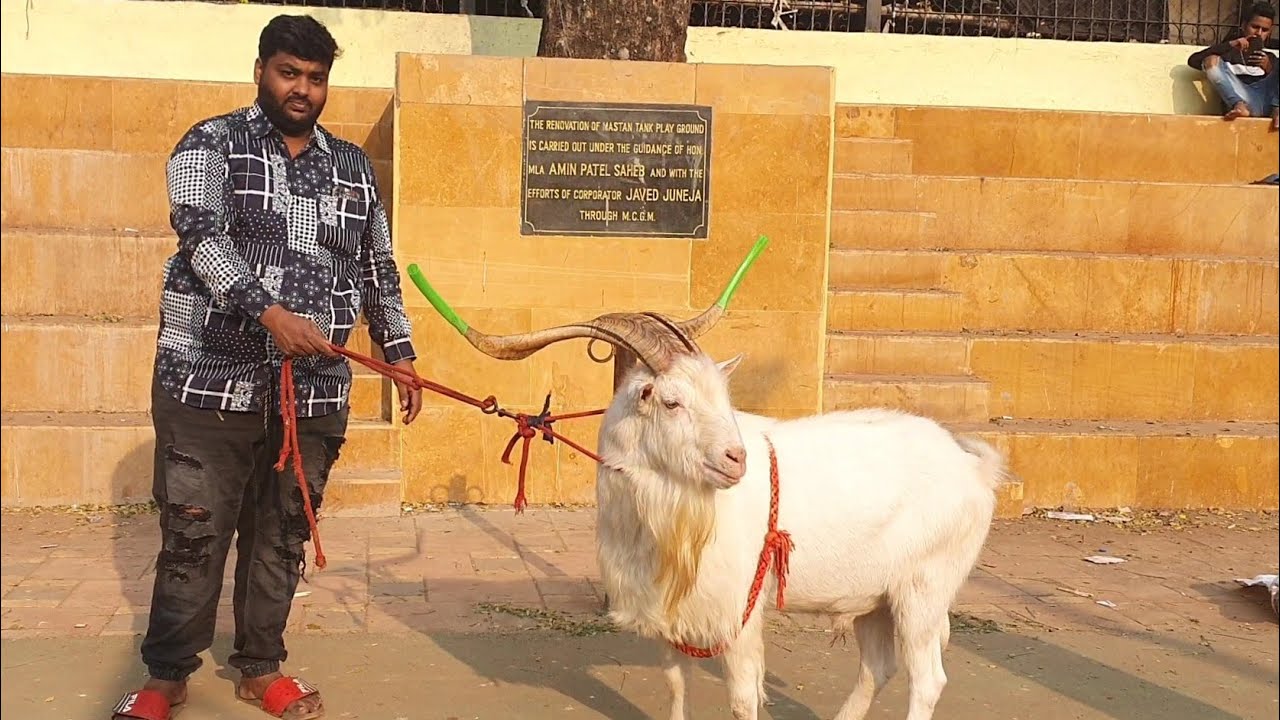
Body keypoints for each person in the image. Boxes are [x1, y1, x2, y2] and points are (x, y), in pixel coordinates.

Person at [111, 14, 423, 720]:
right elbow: (200, 239)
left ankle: (260, 666)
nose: (303, 90)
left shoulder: (352, 168)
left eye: (316, 78)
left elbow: (378, 267)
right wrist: (269, 313)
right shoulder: (208, 145)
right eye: (290, 73)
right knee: (193, 533)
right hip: (206, 383)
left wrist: (398, 351)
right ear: (260, 71)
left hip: (311, 396)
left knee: (281, 538)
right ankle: (166, 676)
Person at [1187, 1, 1279, 127]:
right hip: (1243, 102)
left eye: (1264, 30)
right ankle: (1238, 105)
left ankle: (1277, 111)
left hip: (1268, 104)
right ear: (1244, 26)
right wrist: (1231, 44)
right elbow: (1194, 61)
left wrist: (1270, 69)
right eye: (1255, 27)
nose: (1258, 33)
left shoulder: (1270, 58)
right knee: (1212, 60)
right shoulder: (1228, 53)